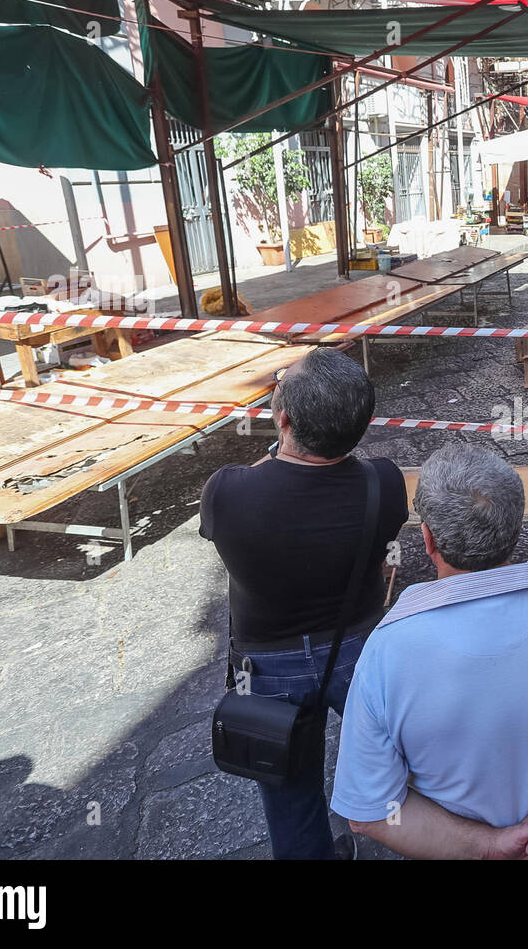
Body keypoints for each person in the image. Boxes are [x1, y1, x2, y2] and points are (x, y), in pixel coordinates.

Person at [331, 443, 528, 859]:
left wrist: (491, 847)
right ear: (515, 528)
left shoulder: (387, 651)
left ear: (428, 539)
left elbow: (372, 812)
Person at [200, 347, 409, 860]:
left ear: (283, 417)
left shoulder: (227, 493)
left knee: (290, 795)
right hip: (359, 647)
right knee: (402, 767)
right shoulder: (383, 483)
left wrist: (279, 446)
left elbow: (264, 481)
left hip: (266, 666)